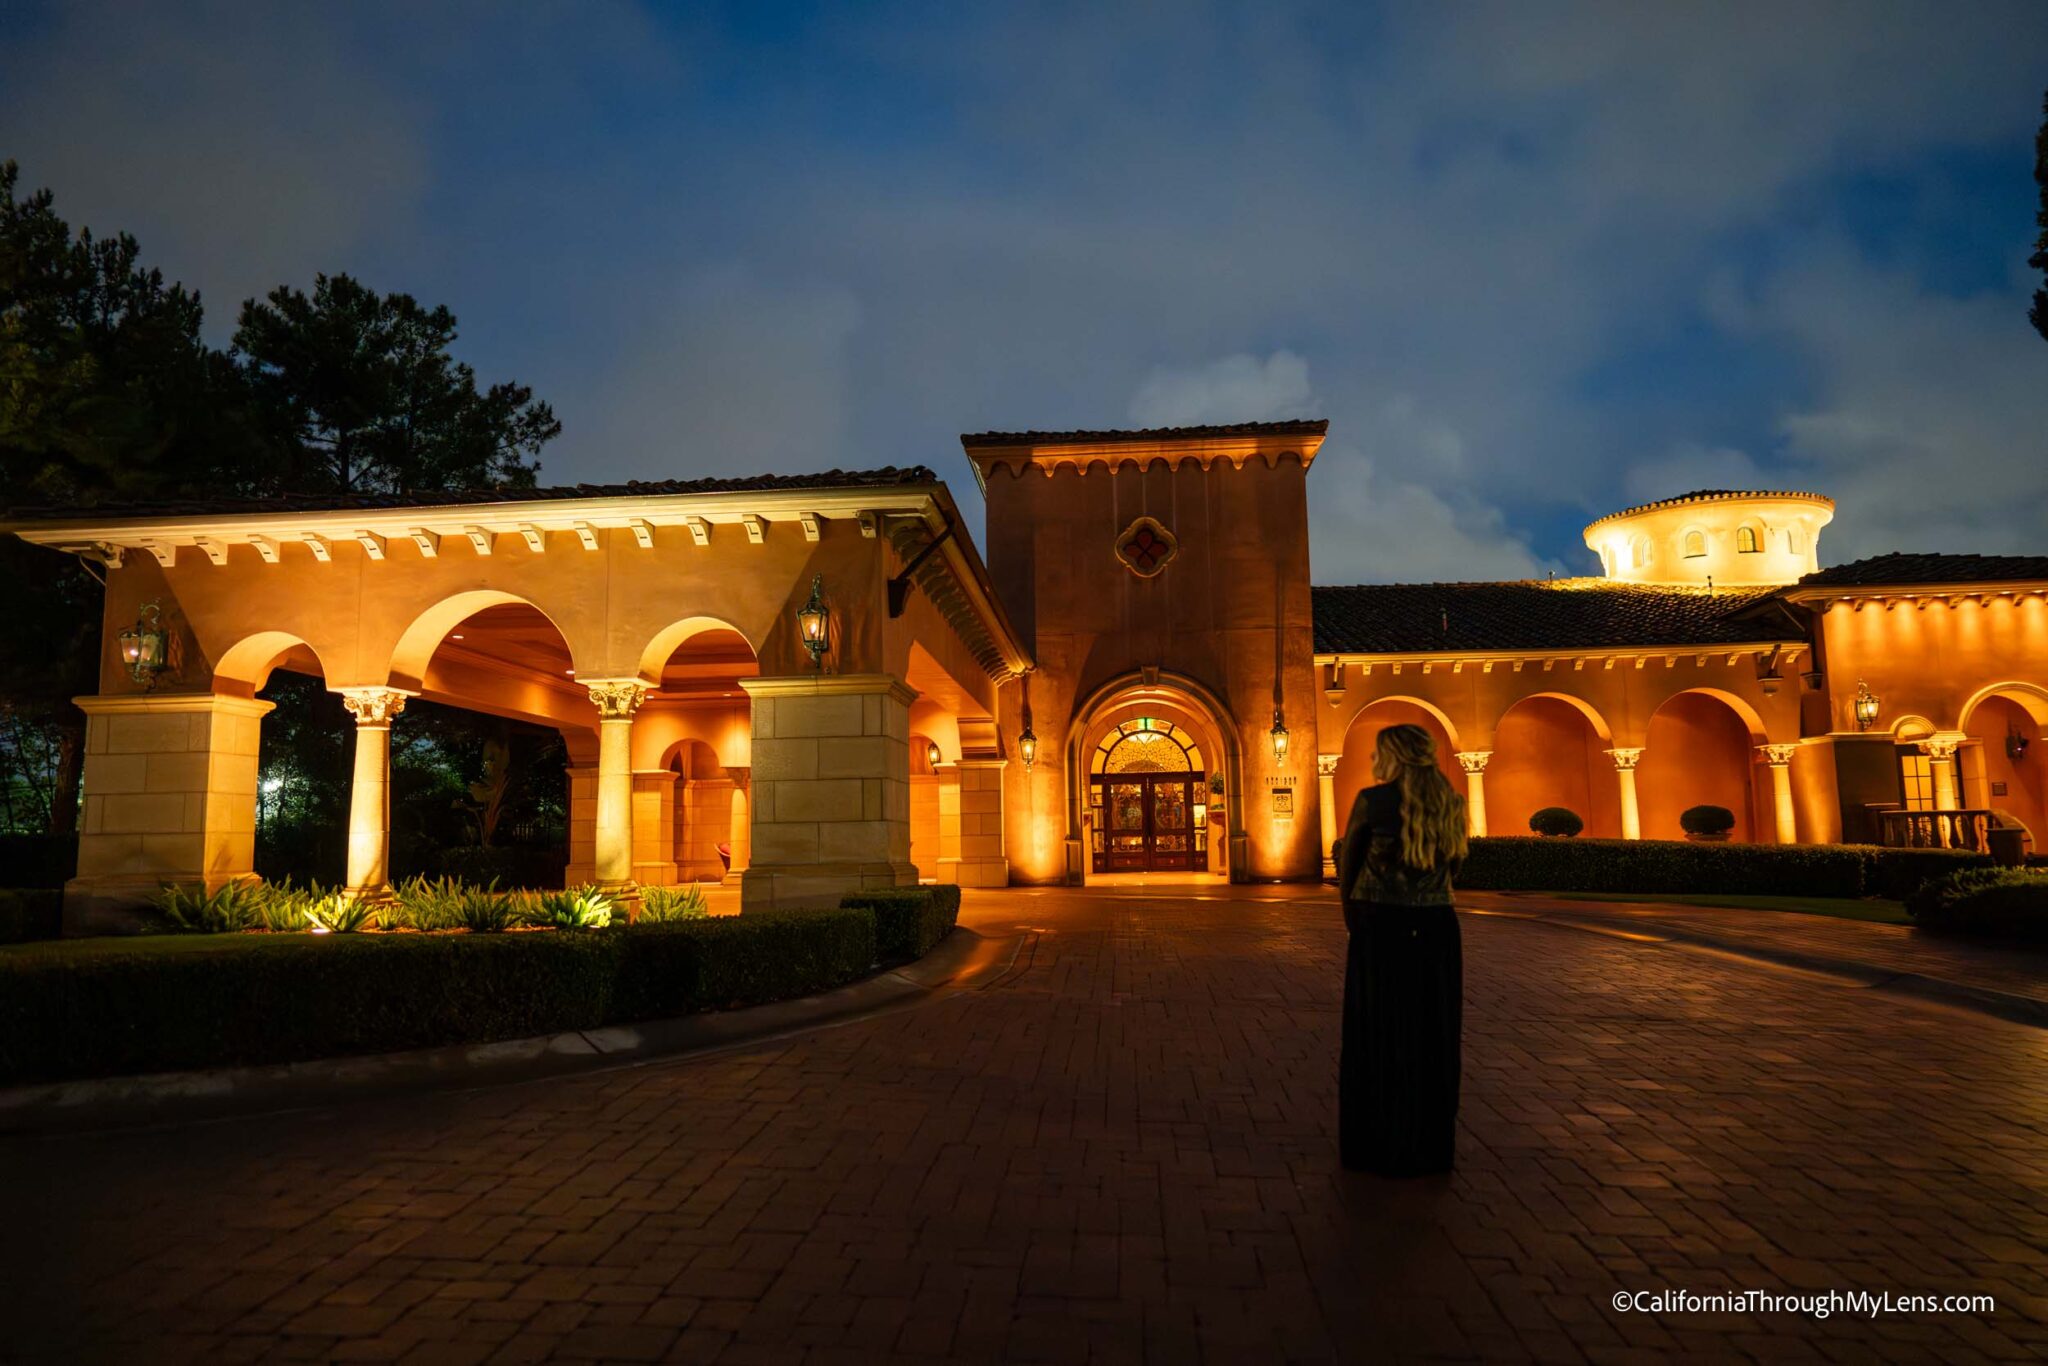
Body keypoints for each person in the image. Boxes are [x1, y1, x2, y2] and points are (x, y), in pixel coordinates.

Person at [1334, 722, 1469, 1176]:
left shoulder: (1373, 801)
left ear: (1393, 756)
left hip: (1380, 925)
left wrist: (1355, 921)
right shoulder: (1449, 802)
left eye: (1379, 752)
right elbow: (1455, 867)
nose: (1374, 760)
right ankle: (1428, 1144)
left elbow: (1349, 867)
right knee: (1432, 1029)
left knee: (1377, 1029)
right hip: (1436, 927)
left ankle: (1376, 1142)